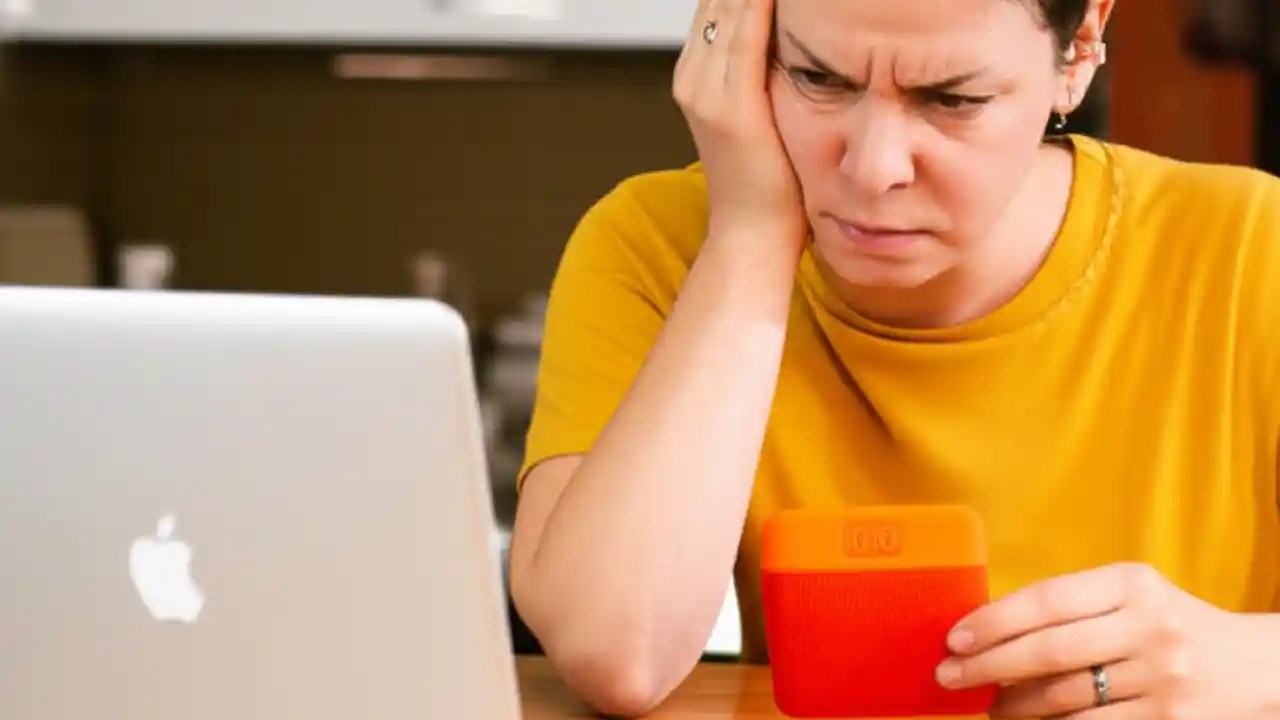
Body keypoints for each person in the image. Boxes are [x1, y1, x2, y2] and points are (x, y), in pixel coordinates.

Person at [508, 0, 1280, 716]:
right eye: (817, 78)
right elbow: (617, 652)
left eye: (953, 100)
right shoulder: (657, 247)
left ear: (1078, 49)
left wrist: (1255, 664)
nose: (874, 169)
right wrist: (749, 240)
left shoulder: (1251, 250)